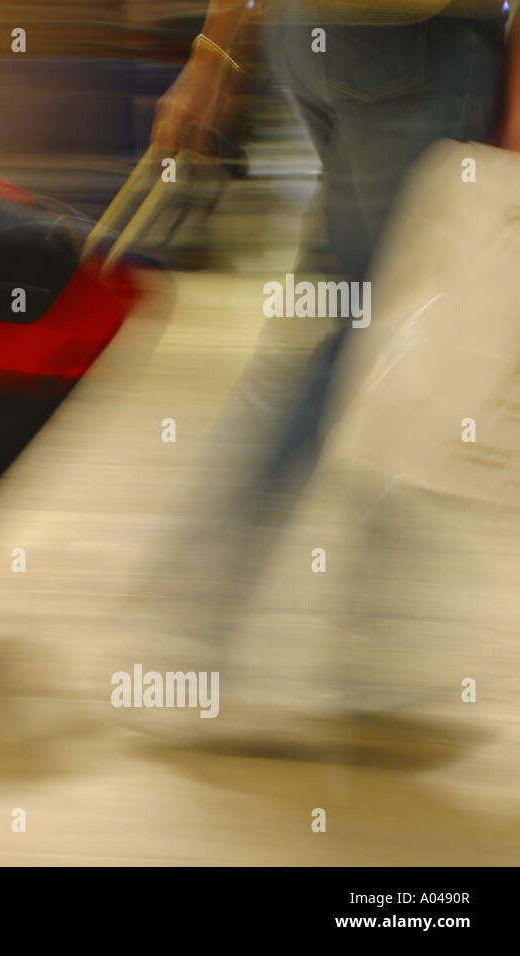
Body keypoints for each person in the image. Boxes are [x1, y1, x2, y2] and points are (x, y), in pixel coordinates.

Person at [135, 0, 514, 714]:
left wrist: (212, 54)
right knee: (387, 335)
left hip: (309, 37)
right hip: (421, 43)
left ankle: (367, 639)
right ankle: (197, 629)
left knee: (352, 317)